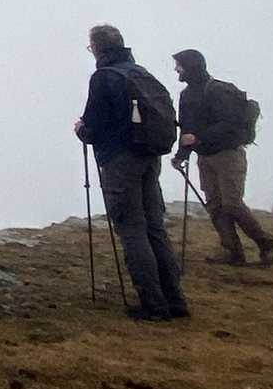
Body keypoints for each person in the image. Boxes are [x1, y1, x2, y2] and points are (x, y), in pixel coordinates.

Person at [73, 24, 189, 322]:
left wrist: (81, 130)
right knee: (154, 228)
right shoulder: (139, 73)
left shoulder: (104, 78)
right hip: (149, 157)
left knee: (132, 229)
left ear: (97, 48)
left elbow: (93, 126)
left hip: (120, 161)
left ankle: (153, 305)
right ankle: (175, 300)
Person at [172, 49, 273, 267]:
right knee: (215, 206)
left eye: (179, 65)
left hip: (228, 155)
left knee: (232, 204)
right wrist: (181, 155)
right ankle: (232, 251)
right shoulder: (186, 95)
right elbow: (186, 129)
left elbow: (229, 125)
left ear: (191, 66)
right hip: (206, 157)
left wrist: (198, 138)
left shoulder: (219, 91)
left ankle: (268, 245)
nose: (176, 69)